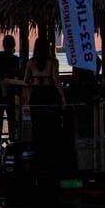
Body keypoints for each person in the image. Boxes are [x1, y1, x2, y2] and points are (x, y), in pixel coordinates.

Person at [23, 37, 67, 171]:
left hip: (36, 95)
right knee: (52, 127)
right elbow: (56, 81)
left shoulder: (31, 62)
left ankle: (38, 160)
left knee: (37, 127)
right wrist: (63, 97)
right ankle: (52, 160)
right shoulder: (52, 62)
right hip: (49, 94)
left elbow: (26, 81)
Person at [0, 35, 20, 139]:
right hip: (10, 92)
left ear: (3, 45)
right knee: (12, 119)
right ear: (13, 46)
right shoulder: (16, 59)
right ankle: (12, 142)